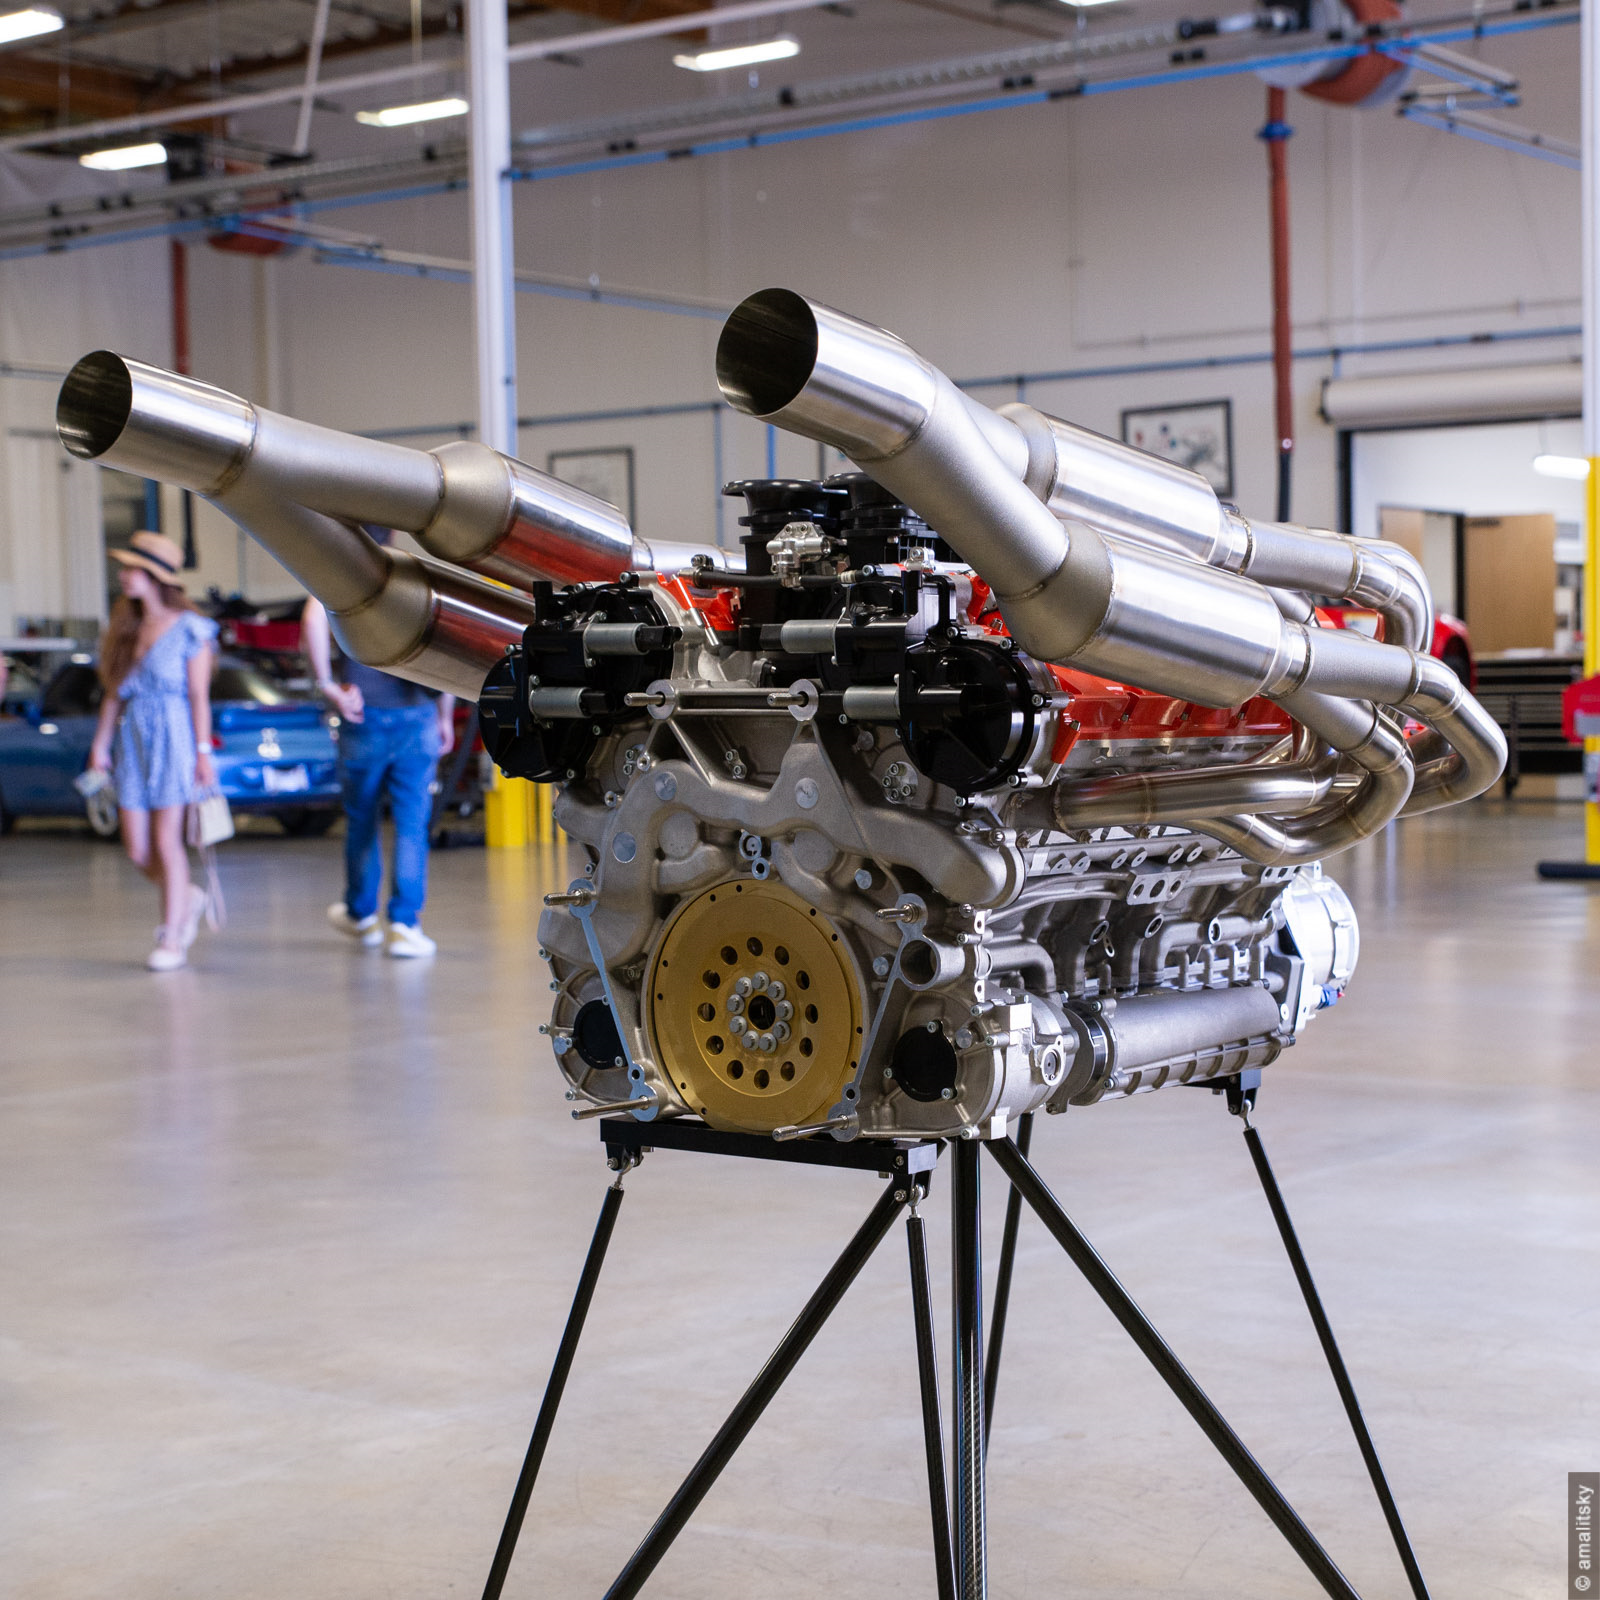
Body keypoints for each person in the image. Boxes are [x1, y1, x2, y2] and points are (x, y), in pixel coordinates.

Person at [302, 546, 453, 958]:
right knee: (411, 825)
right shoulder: (410, 577)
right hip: (416, 714)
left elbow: (313, 616)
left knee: (362, 820)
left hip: (363, 713)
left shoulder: (342, 572)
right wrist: (443, 714)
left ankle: (361, 916)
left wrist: (327, 685)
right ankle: (404, 925)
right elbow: (443, 650)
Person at [87, 531, 218, 972]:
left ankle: (173, 938)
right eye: (124, 569)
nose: (124, 576)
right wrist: (100, 745)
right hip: (133, 740)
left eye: (133, 569)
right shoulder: (125, 627)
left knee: (167, 842)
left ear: (156, 577)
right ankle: (188, 899)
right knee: (137, 850)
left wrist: (203, 752)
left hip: (176, 736)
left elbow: (199, 696)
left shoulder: (190, 630)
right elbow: (112, 695)